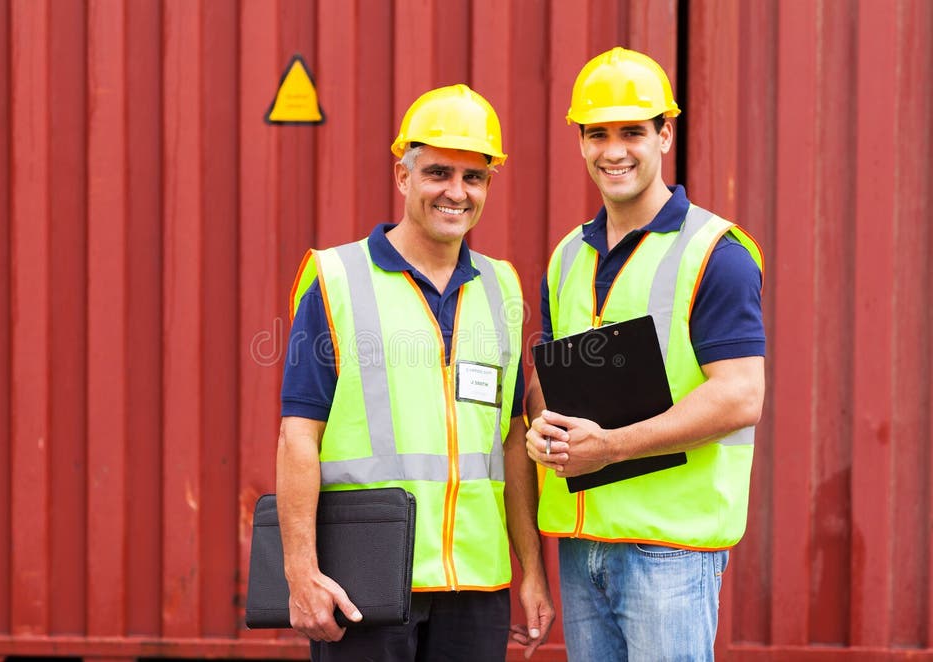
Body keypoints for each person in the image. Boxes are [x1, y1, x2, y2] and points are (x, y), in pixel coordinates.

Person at [277, 84, 554, 662]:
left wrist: (531, 571)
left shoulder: (503, 288)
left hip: (476, 584)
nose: (456, 192)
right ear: (403, 177)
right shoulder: (337, 280)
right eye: (437, 173)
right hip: (365, 578)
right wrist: (300, 572)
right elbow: (298, 436)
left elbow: (510, 440)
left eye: (473, 177)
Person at [525, 47, 765, 661]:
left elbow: (740, 394)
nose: (614, 151)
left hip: (670, 552)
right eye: (598, 134)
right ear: (579, 141)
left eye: (633, 132)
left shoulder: (716, 252)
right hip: (583, 545)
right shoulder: (566, 258)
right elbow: (549, 381)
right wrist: (540, 427)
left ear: (664, 134)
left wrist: (610, 446)